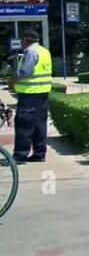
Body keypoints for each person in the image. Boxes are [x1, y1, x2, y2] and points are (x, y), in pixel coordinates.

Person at [9, 29, 52, 163]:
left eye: (22, 39)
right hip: (42, 93)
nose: (21, 42)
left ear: (27, 39)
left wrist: (12, 80)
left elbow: (25, 72)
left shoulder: (31, 52)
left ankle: (20, 156)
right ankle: (39, 154)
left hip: (29, 94)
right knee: (39, 124)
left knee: (24, 124)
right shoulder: (44, 51)